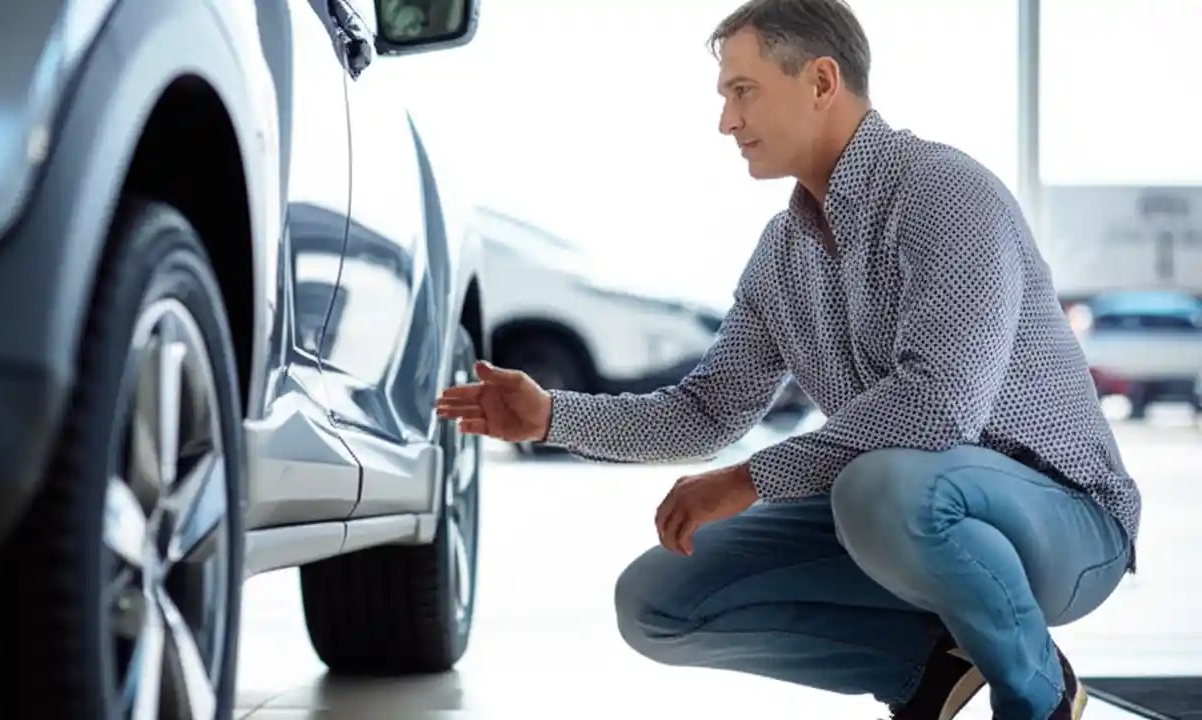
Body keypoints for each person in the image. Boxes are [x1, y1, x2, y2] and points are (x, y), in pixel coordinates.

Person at [435, 1, 1140, 718]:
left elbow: (937, 408)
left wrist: (750, 479)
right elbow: (708, 409)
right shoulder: (784, 251)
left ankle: (1039, 693)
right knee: (658, 601)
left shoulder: (941, 191)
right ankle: (924, 670)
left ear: (821, 82)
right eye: (724, 97)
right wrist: (551, 415)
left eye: (744, 92)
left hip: (1067, 525)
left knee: (882, 486)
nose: (727, 122)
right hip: (899, 510)